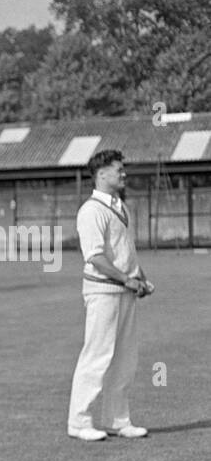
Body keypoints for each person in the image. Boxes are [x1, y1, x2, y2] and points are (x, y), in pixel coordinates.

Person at [66, 149, 150, 442]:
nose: (123, 173)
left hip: (124, 290)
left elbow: (124, 251)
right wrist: (127, 279)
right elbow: (96, 257)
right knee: (97, 355)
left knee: (125, 358)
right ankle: (79, 421)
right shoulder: (91, 210)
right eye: (119, 169)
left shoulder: (121, 207)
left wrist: (139, 278)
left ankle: (117, 419)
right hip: (103, 290)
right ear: (101, 174)